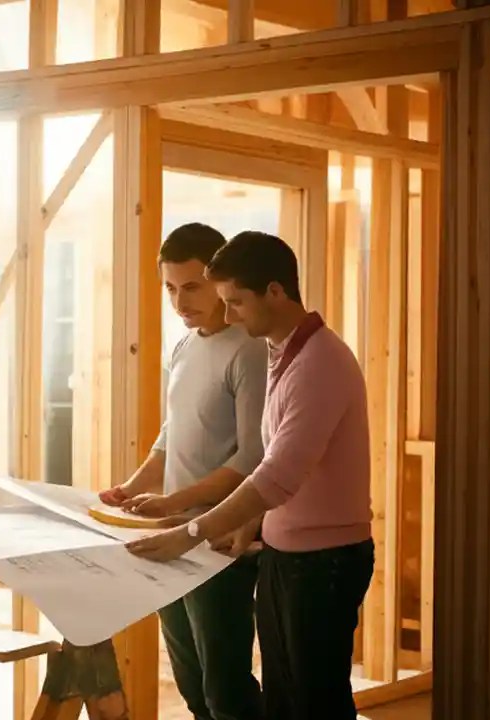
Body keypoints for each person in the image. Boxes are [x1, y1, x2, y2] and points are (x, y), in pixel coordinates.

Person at [126, 231, 374, 720]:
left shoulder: (318, 361)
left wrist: (190, 529)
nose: (231, 315)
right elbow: (272, 463)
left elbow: (277, 471)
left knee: (312, 704)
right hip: (288, 556)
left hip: (324, 564)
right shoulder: (286, 353)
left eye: (236, 301)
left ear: (276, 292)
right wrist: (248, 523)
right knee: (285, 702)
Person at [100, 222, 267, 720]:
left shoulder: (250, 350)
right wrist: (131, 489)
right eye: (169, 288)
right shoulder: (185, 346)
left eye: (191, 286)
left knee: (225, 688)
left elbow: (252, 458)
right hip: (169, 539)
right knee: (193, 685)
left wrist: (174, 503)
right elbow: (171, 436)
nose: (178, 301)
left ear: (219, 279)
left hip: (218, 539)